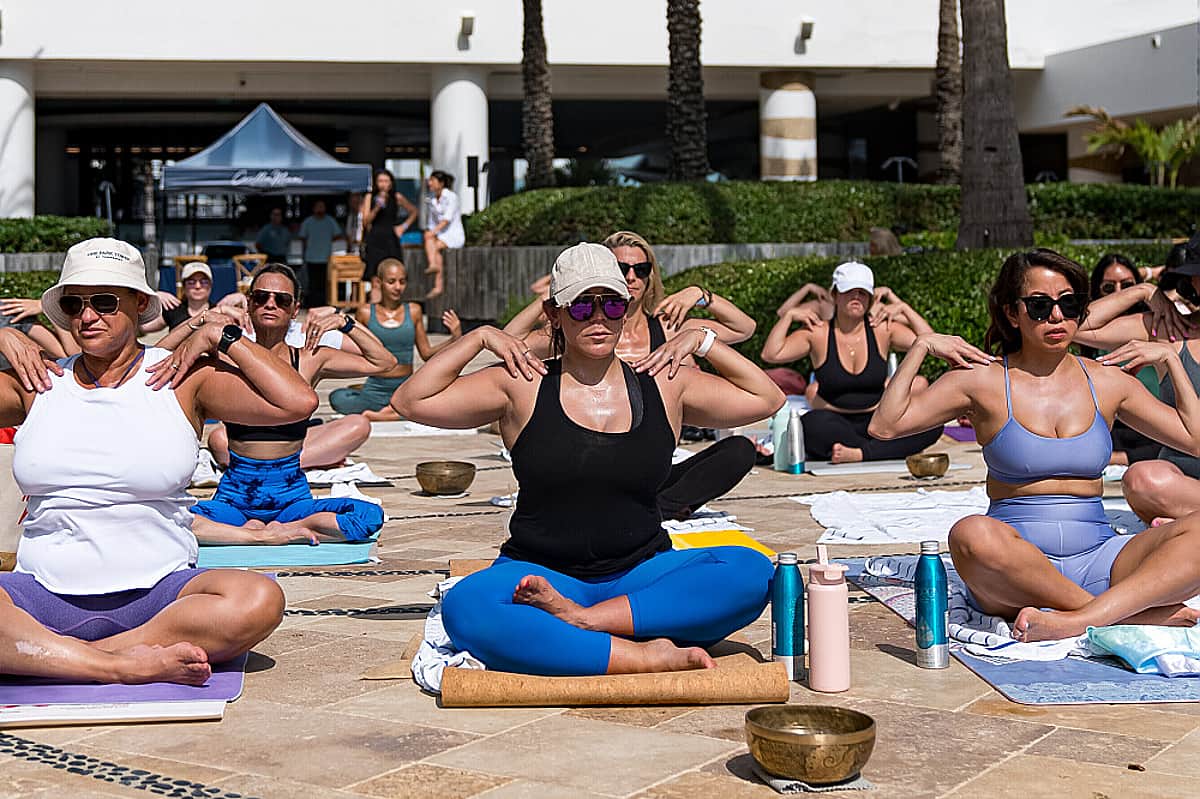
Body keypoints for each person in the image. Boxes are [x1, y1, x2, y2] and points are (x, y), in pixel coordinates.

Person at [392, 243, 783, 675]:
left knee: (752, 572)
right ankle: (639, 654)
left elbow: (767, 399)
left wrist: (703, 339)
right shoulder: (522, 383)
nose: (599, 318)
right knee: (466, 607)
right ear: (554, 313)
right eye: (581, 307)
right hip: (540, 573)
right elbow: (410, 401)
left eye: (613, 304)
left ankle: (583, 625)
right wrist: (481, 336)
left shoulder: (665, 382)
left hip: (640, 574)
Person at [0, 237, 310, 684]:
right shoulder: (39, 380)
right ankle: (117, 666)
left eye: (105, 302)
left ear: (139, 303)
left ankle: (50, 657)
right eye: (74, 304)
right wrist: (3, 333)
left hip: (161, 598)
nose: (88, 317)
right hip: (43, 592)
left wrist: (220, 334)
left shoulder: (180, 378)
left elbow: (297, 402)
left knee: (259, 597)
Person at [870, 248, 1200, 642]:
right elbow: (885, 426)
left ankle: (1081, 617)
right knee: (970, 535)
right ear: (1013, 313)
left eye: (1069, 304)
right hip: (1015, 569)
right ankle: (1120, 614)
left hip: (1102, 558)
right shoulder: (983, 381)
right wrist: (921, 347)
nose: (1057, 317)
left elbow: (1194, 440)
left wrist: (1171, 360)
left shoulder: (1108, 381)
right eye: (1040, 306)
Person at [505, 230, 760, 521]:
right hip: (589, 457)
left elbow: (744, 329)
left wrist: (699, 295)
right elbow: (509, 344)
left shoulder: (669, 328)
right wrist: (557, 296)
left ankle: (656, 509)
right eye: (620, 268)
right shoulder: (577, 329)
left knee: (739, 450)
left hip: (650, 459)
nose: (631, 277)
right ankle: (648, 509)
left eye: (641, 269)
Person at [166, 264, 389, 545]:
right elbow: (158, 359)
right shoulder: (227, 356)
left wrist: (345, 322)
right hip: (235, 498)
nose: (270, 305)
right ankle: (258, 534)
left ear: (294, 310)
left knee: (367, 517)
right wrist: (200, 321)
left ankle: (269, 530)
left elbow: (384, 363)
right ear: (248, 304)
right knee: (165, 520)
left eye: (281, 300)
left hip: (291, 501)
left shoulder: (308, 359)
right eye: (261, 297)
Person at [761, 261, 939, 463]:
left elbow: (932, 343)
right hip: (834, 423)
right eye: (849, 292)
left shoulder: (882, 330)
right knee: (809, 425)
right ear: (835, 295)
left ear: (871, 299)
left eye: (863, 293)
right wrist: (789, 316)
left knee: (933, 424)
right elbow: (771, 354)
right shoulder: (818, 333)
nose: (856, 297)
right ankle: (883, 450)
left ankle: (859, 454)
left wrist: (905, 309)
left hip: (879, 420)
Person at [1074, 238, 1200, 522]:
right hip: (1182, 483)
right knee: (1141, 478)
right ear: (1193, 280)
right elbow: (1072, 328)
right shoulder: (1168, 329)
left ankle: (1184, 524)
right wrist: (1140, 291)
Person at [328, 258, 462, 418]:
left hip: (406, 387)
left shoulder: (413, 311)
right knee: (337, 398)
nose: (398, 287)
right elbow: (354, 351)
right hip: (375, 389)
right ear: (379, 282)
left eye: (402, 282)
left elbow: (426, 353)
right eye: (391, 282)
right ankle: (397, 412)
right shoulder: (365, 312)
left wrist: (454, 338)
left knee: (448, 400)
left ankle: (387, 414)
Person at [1080, 254, 1159, 466]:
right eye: (1108, 288)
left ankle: (1119, 460)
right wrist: (1139, 290)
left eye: (1127, 285)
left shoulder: (1154, 325)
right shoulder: (1091, 335)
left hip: (1153, 432)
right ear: (1096, 290)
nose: (1119, 293)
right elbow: (1073, 324)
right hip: (1110, 428)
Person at [363, 169, 418, 302]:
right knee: (375, 278)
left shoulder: (397, 197)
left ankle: (392, 307)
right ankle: (375, 311)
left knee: (393, 274)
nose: (383, 184)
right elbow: (366, 221)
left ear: (391, 183)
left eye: (386, 181)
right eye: (380, 181)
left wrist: (402, 227)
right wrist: (376, 207)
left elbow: (414, 211)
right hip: (375, 239)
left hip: (391, 238)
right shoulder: (370, 197)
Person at [422, 170, 465, 301]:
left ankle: (433, 266)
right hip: (441, 235)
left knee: (431, 241)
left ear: (441, 183)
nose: (429, 183)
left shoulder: (451, 197)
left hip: (453, 235)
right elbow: (431, 222)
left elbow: (447, 219)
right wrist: (432, 232)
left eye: (432, 180)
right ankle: (438, 284)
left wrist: (433, 232)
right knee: (432, 245)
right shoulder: (432, 199)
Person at [298, 199, 345, 307]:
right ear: (313, 208)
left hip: (325, 258)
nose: (320, 209)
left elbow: (338, 234)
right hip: (311, 257)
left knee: (324, 284)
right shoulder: (308, 221)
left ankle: (323, 304)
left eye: (322, 206)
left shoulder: (330, 221)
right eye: (318, 206)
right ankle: (313, 304)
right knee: (312, 284)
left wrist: (328, 240)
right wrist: (303, 254)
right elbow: (302, 238)